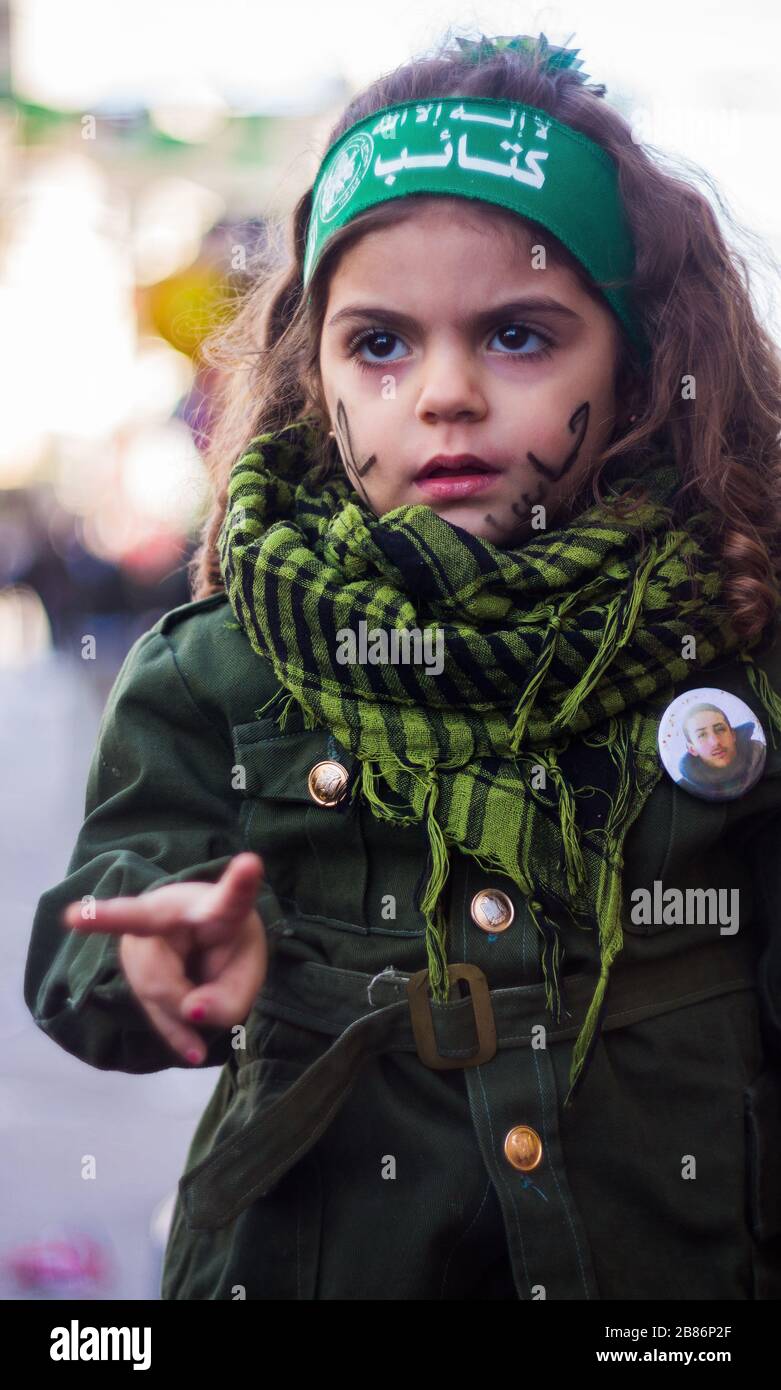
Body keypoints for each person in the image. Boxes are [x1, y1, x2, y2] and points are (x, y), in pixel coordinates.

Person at [24, 32, 781, 1301]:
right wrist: (149, 961)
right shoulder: (222, 665)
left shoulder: (735, 641)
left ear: (641, 361)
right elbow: (89, 928)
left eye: (520, 338)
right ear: (316, 379)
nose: (445, 394)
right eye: (379, 344)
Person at [676, 702, 767, 797]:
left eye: (720, 729)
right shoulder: (682, 792)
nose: (715, 742)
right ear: (692, 749)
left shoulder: (762, 758)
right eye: (702, 735)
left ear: (733, 735)